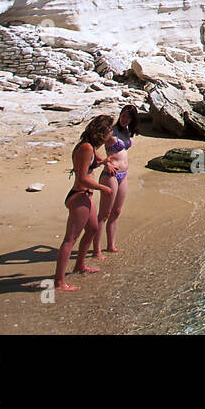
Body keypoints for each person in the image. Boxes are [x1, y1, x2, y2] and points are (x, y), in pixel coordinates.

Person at [53, 115, 115, 292]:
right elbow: (82, 178)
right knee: (70, 239)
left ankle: (79, 264)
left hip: (86, 195)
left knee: (93, 228)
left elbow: (96, 160)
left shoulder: (91, 147)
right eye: (110, 130)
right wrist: (104, 188)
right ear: (102, 132)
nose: (112, 133)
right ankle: (59, 282)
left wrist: (105, 162)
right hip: (79, 194)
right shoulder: (86, 147)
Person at [93, 104, 137, 257]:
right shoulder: (111, 131)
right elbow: (92, 147)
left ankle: (111, 245)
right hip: (110, 175)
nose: (125, 119)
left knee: (116, 212)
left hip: (123, 175)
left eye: (129, 117)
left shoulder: (127, 131)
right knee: (104, 214)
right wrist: (106, 162)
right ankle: (97, 250)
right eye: (124, 115)